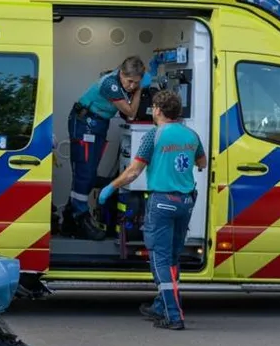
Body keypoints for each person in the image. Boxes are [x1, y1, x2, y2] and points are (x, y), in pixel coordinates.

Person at [98, 90, 205, 330]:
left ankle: (173, 315)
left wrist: (110, 187)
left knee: (160, 258)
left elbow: (133, 172)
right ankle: (160, 305)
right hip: (186, 202)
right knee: (174, 257)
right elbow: (202, 163)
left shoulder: (154, 137)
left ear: (157, 109)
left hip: (162, 202)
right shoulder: (192, 135)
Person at [64, 55, 155, 241]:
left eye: (135, 82)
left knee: (88, 172)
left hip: (98, 124)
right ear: (121, 73)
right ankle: (79, 218)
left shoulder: (122, 84)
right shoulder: (110, 84)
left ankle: (70, 218)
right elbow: (130, 112)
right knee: (85, 172)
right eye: (130, 81)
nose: (131, 86)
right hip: (84, 123)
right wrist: (139, 90)